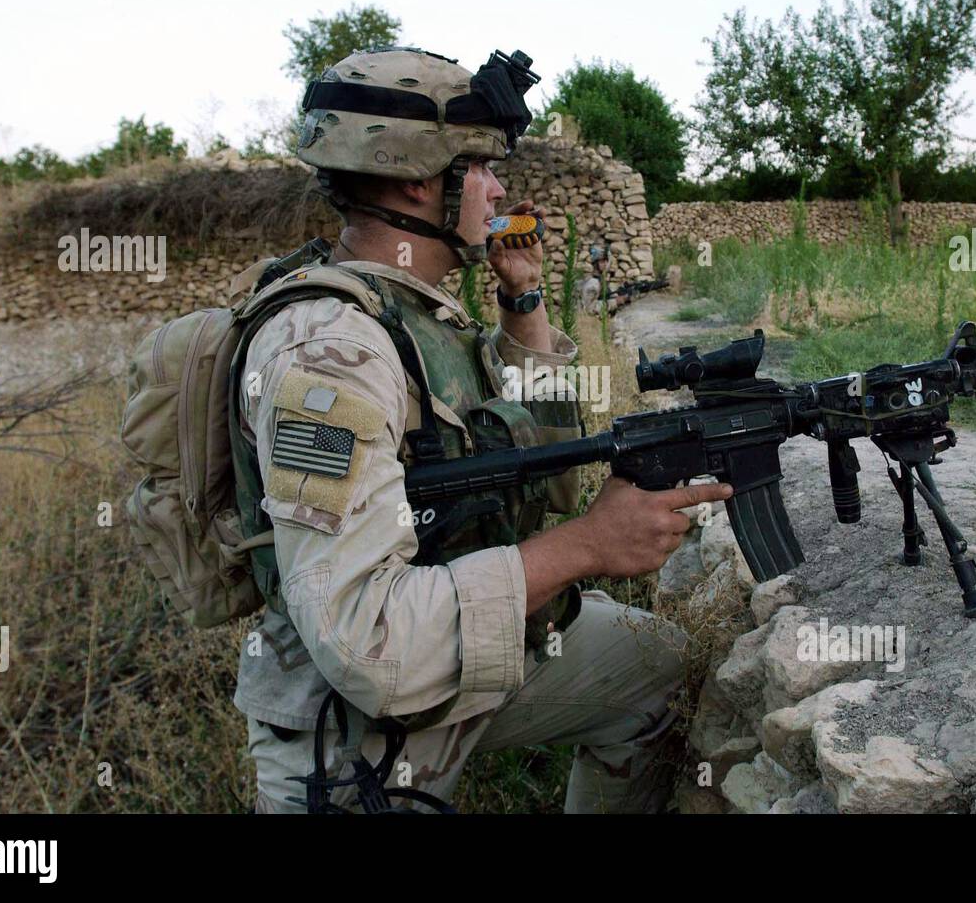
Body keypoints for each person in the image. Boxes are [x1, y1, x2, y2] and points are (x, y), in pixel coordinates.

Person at [232, 46, 730, 813]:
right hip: (356, 727)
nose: (500, 190)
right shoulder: (328, 355)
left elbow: (551, 478)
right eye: (484, 167)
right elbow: (369, 642)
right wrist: (587, 549)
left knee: (656, 668)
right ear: (417, 176)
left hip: (467, 648)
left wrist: (523, 303)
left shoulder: (421, 314)